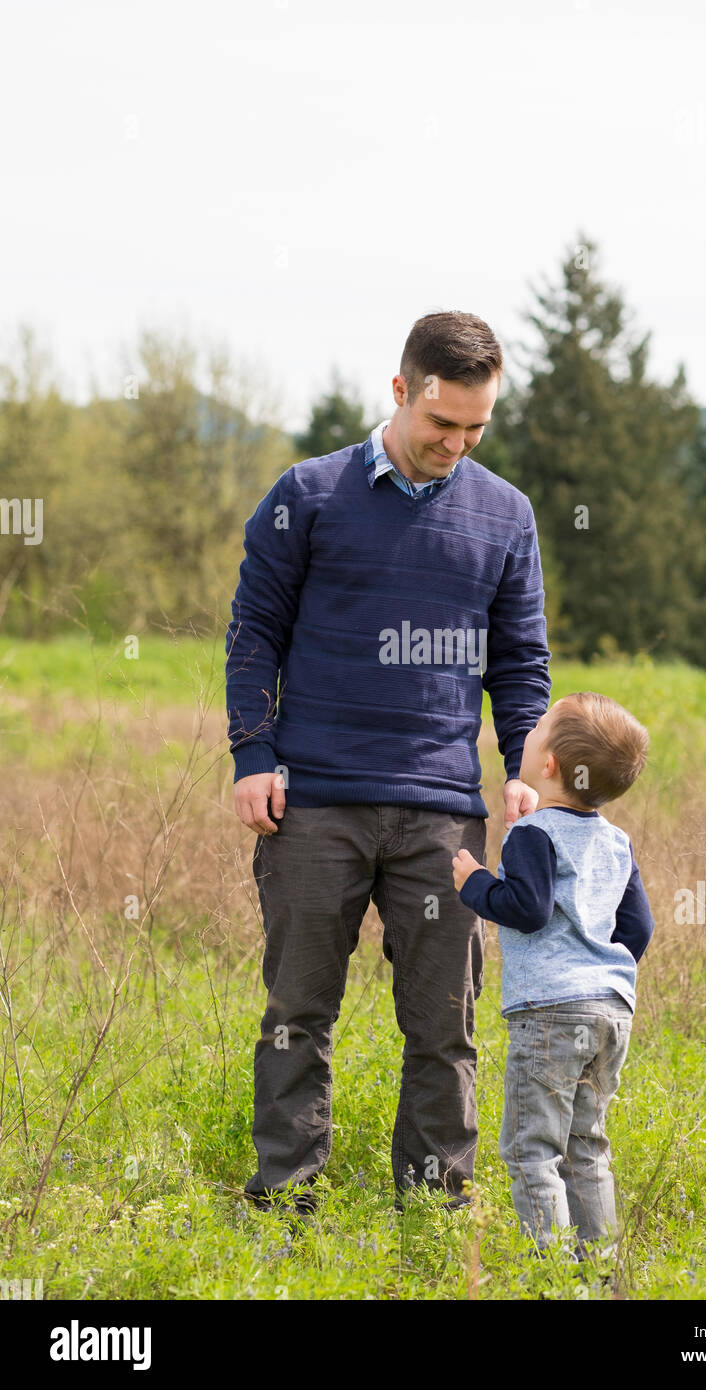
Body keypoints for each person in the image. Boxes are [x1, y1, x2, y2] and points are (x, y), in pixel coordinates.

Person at [225, 310, 551, 1214]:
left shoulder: (507, 515)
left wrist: (523, 765)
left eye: (477, 428)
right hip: (313, 803)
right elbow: (254, 635)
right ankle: (284, 1204)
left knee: (445, 1028)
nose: (457, 444)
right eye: (442, 423)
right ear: (401, 389)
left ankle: (435, 1213)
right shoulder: (307, 495)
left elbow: (521, 663)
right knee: (298, 1015)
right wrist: (253, 754)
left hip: (444, 813)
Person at [453, 691, 654, 1256]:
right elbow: (639, 927)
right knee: (586, 1146)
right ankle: (598, 1270)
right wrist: (596, 970)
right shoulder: (616, 841)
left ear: (548, 765)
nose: (529, 725)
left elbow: (529, 907)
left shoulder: (533, 833)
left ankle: (551, 1274)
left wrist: (475, 884)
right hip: (611, 1010)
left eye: (538, 723)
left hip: (551, 1013)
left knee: (532, 1150)